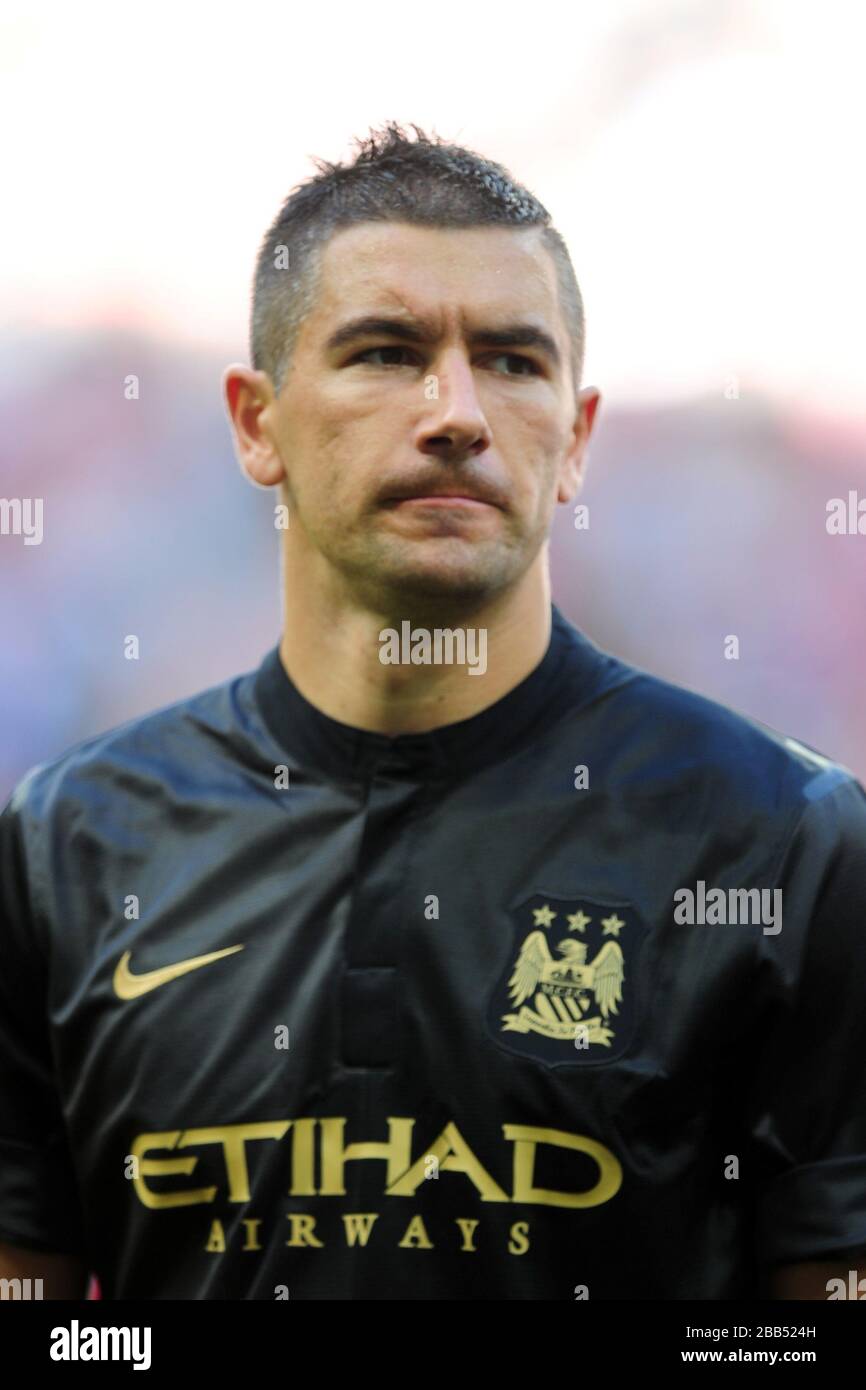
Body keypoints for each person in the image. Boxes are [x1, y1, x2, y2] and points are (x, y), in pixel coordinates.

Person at [1, 122, 864, 1301]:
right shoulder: (67, 845)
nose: (454, 409)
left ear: (577, 438)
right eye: (384, 350)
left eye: (513, 361)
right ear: (256, 422)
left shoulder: (785, 837)